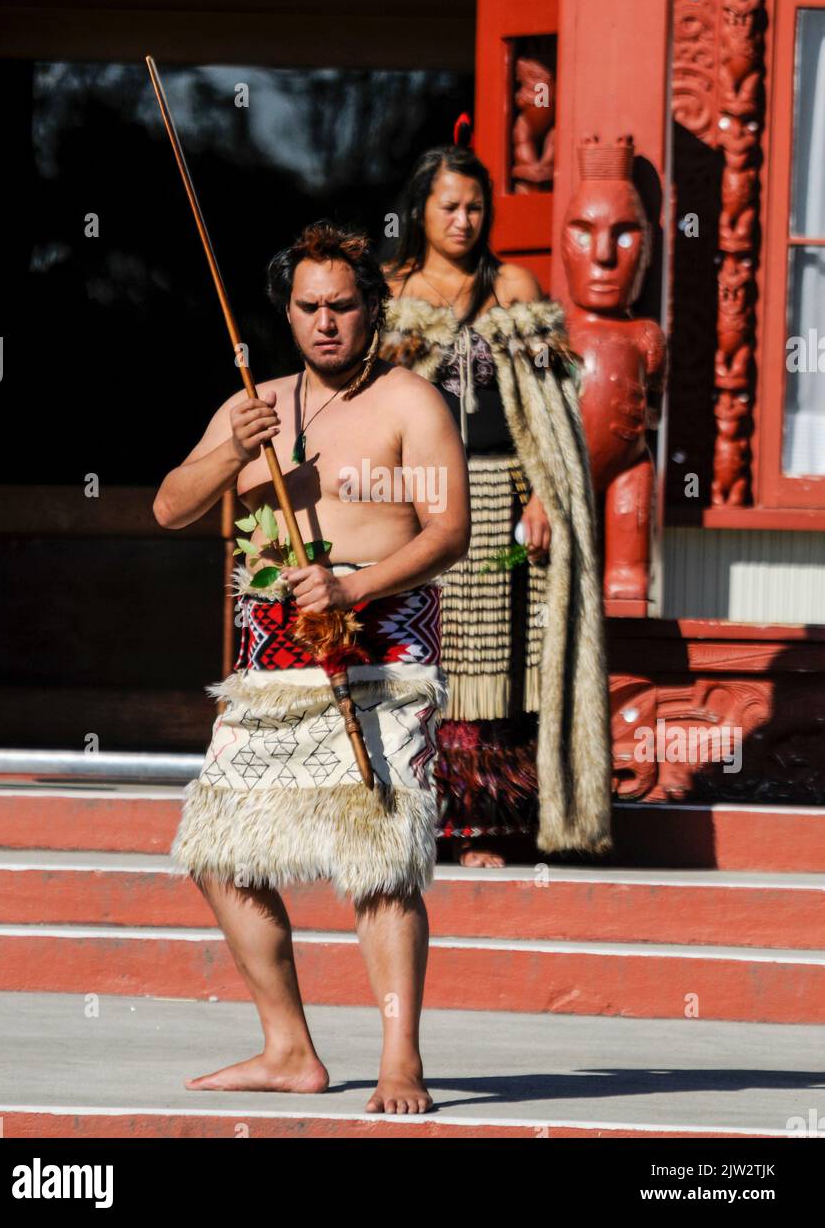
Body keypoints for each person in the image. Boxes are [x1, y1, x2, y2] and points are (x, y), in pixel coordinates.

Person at [154, 220, 469, 1116]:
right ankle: (289, 1048)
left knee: (379, 862)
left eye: (341, 305)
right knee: (219, 851)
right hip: (272, 657)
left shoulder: (412, 402)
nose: (325, 322)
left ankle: (400, 1057)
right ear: (285, 315)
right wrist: (231, 450)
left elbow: (451, 533)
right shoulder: (252, 402)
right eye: (308, 308)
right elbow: (171, 508)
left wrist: (354, 583)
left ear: (372, 307)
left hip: (381, 648)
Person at [380, 145, 612, 867]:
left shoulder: (512, 283)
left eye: (474, 206)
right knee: (425, 658)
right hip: (422, 498)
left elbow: (553, 407)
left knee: (507, 664)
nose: (462, 219)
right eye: (447, 205)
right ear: (419, 209)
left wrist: (544, 492)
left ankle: (489, 831)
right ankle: (414, 819)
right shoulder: (388, 292)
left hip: (507, 489)